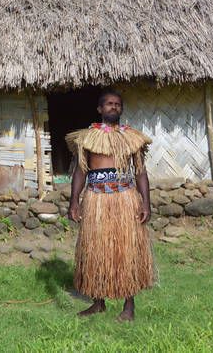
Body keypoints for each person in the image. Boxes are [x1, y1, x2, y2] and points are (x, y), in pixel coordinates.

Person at [65, 90, 157, 322]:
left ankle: (129, 306)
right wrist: (74, 201)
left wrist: (146, 202)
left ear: (121, 109)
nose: (113, 107)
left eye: (117, 104)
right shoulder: (88, 137)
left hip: (125, 199)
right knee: (96, 250)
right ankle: (98, 302)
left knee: (126, 251)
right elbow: (81, 171)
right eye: (109, 104)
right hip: (96, 199)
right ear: (99, 109)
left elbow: (141, 173)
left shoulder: (132, 137)